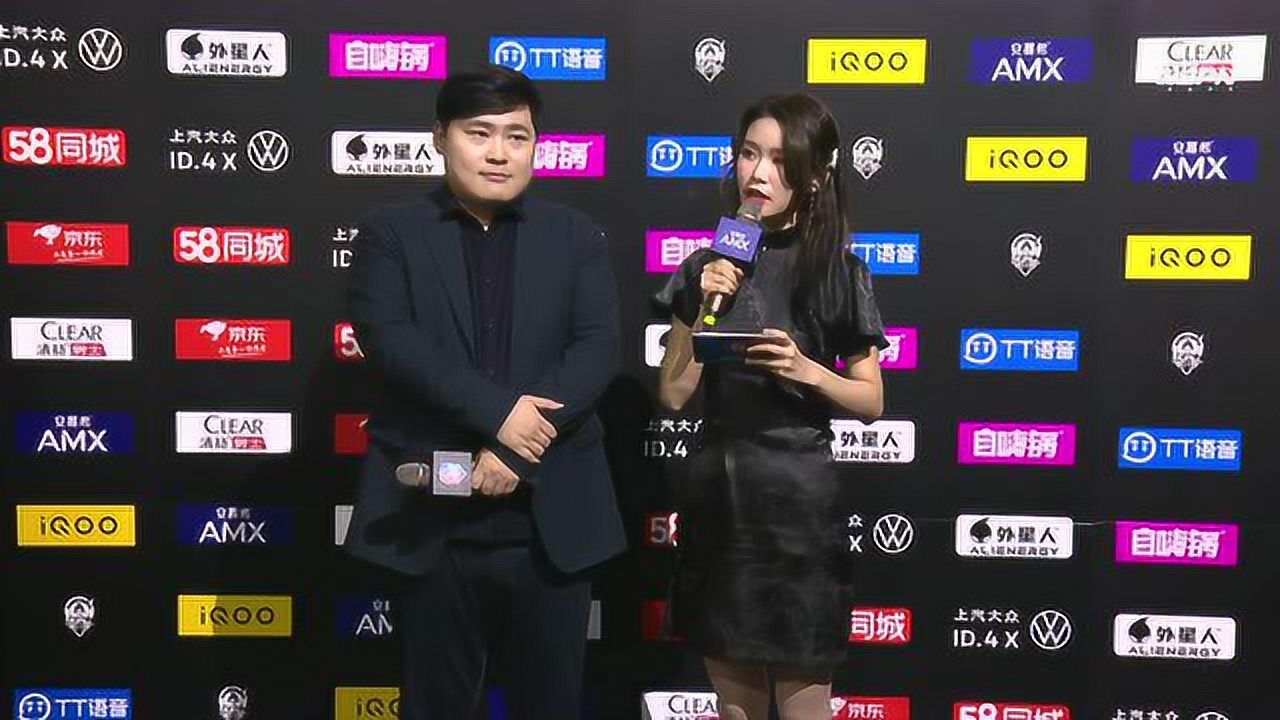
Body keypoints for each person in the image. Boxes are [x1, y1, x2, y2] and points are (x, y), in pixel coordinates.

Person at [343, 65, 626, 720]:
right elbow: (392, 342)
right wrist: (501, 416)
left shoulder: (576, 236)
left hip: (552, 523)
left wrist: (517, 450)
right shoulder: (391, 232)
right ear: (440, 137)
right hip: (429, 528)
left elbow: (594, 351)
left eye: (516, 137)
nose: (499, 153)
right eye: (479, 133)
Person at [654, 93, 889, 720]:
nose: (758, 174)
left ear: (814, 176)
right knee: (736, 711)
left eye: (781, 161)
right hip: (721, 508)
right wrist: (704, 307)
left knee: (805, 707)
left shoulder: (839, 270)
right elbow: (673, 393)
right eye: (749, 154)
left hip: (800, 514)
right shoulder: (706, 267)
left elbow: (871, 400)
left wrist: (804, 369)